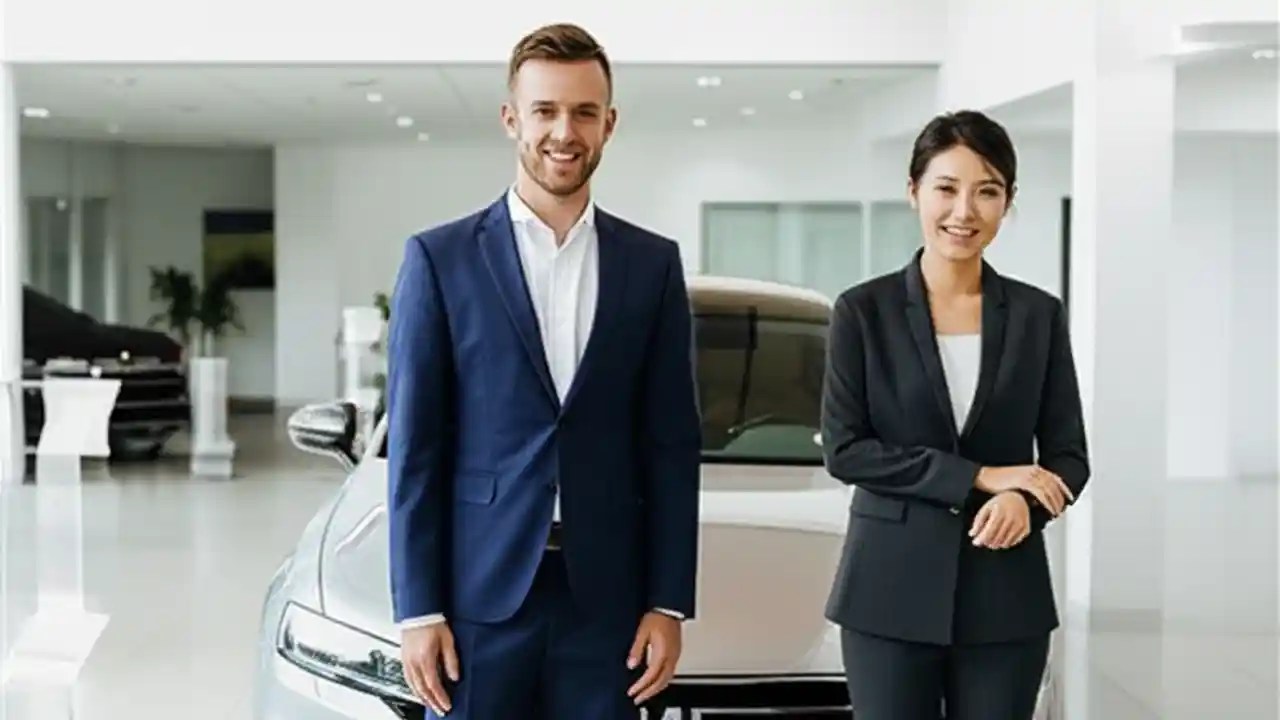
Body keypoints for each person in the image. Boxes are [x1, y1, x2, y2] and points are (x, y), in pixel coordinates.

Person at [384, 22, 701, 720]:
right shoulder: (440, 260)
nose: (565, 131)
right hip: (477, 604)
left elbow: (671, 447)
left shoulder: (651, 266)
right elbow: (414, 449)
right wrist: (418, 608)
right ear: (510, 119)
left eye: (584, 112)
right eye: (545, 110)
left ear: (609, 123)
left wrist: (668, 600)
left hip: (608, 604)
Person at [819, 110, 1090, 720]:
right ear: (914, 191)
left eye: (986, 191)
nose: (964, 211)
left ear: (1007, 202)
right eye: (946, 188)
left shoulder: (1036, 316)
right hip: (886, 594)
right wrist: (978, 476)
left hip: (1005, 598)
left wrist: (1027, 500)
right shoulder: (863, 312)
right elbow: (846, 449)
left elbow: (1069, 456)